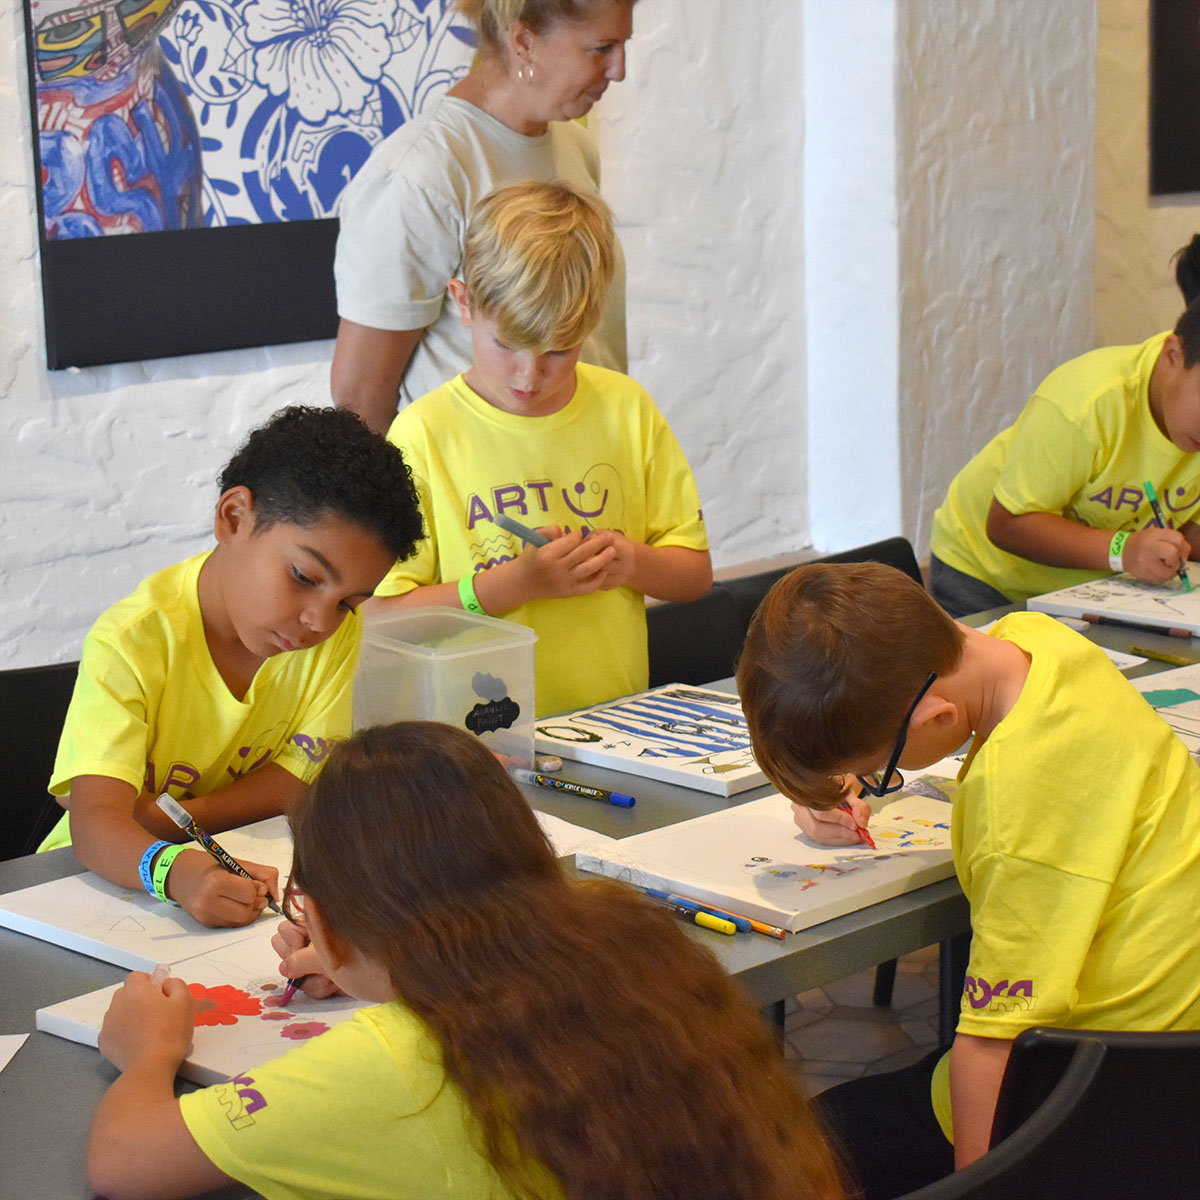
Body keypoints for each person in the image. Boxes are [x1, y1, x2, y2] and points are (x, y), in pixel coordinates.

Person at [86, 721, 848, 1200]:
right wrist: (372, 970)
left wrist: (148, 1055)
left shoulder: (385, 1063)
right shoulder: (644, 951)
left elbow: (124, 1163)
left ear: (322, 918)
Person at [735, 561, 1200, 1198]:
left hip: (1098, 1101)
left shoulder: (1014, 802)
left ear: (933, 717)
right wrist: (842, 773)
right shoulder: (1038, 641)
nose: (873, 783)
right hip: (1171, 1055)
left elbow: (990, 1045)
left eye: (877, 768)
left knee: (800, 1143)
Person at [44, 407, 423, 928]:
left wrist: (165, 819)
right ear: (234, 518)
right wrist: (177, 871)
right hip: (87, 887)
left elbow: (297, 781)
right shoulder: (134, 640)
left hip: (221, 871)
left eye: (348, 603)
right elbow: (94, 827)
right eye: (303, 576)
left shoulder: (334, 637)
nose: (318, 621)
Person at [367, 180, 711, 716]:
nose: (530, 376)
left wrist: (626, 562)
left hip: (616, 718)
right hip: (480, 739)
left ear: (589, 323)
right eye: (507, 345)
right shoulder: (423, 434)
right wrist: (516, 583)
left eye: (559, 350)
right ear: (464, 302)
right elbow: (383, 614)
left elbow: (694, 575)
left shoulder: (627, 408)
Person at [331, 0, 633, 433]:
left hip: (590, 478)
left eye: (622, 46)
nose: (619, 69)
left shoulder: (574, 148)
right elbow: (359, 404)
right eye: (601, 48)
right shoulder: (419, 176)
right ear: (524, 41)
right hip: (477, 494)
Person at [927, 299, 1200, 617]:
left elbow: (1186, 527)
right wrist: (1123, 550)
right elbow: (1008, 523)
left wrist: (1165, 546)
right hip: (990, 577)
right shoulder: (1087, 403)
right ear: (1173, 355)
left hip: (1097, 589)